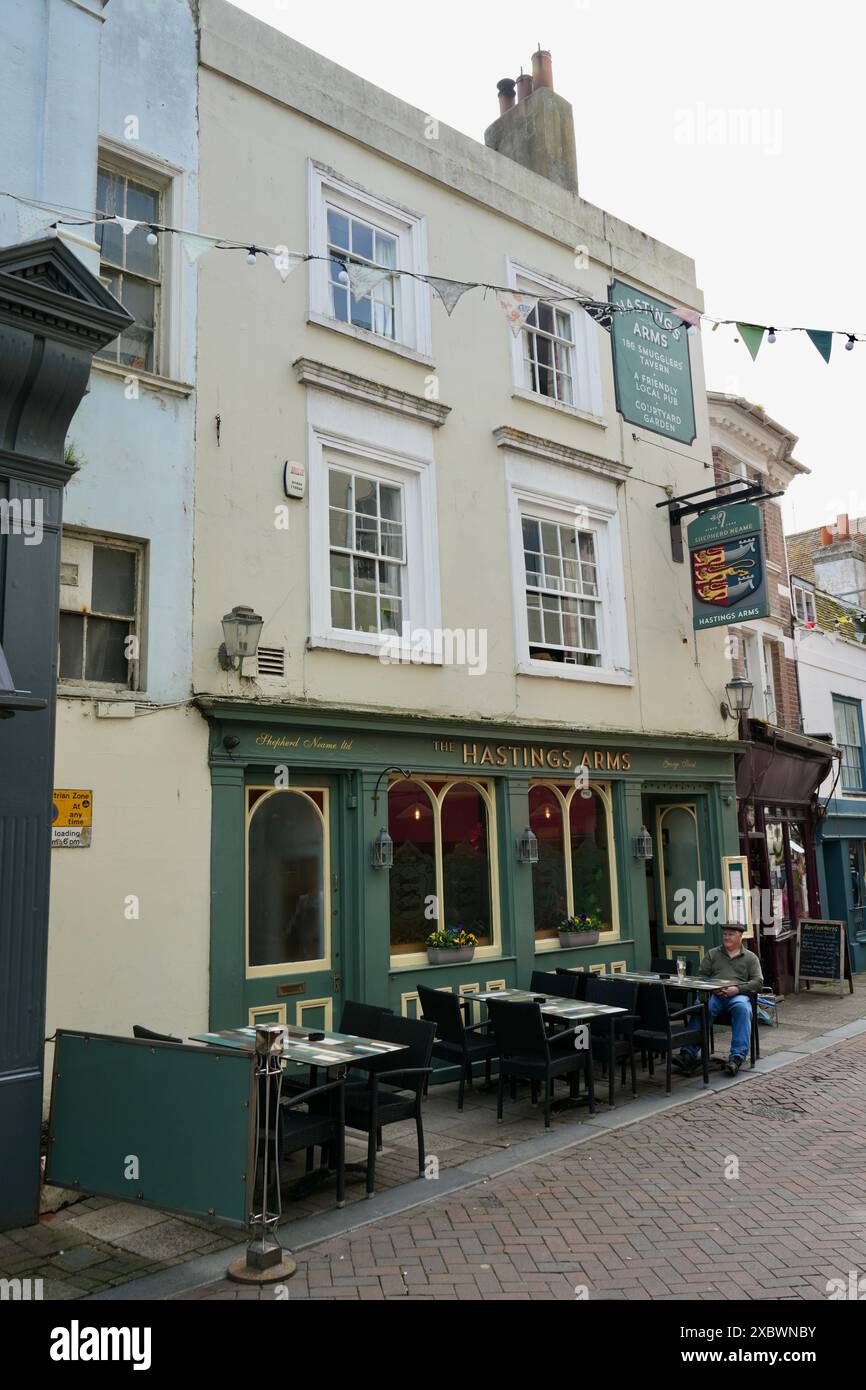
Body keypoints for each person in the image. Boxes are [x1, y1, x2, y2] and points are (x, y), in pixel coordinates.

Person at [672, 922, 763, 1077]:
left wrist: (737, 989)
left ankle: (736, 1057)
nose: (726, 937)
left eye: (730, 934)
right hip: (714, 995)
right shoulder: (712, 954)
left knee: (743, 1008)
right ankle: (688, 1054)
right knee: (702, 1006)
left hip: (737, 995)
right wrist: (712, 989)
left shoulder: (750, 957)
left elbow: (758, 982)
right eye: (725, 934)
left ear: (740, 937)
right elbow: (702, 978)